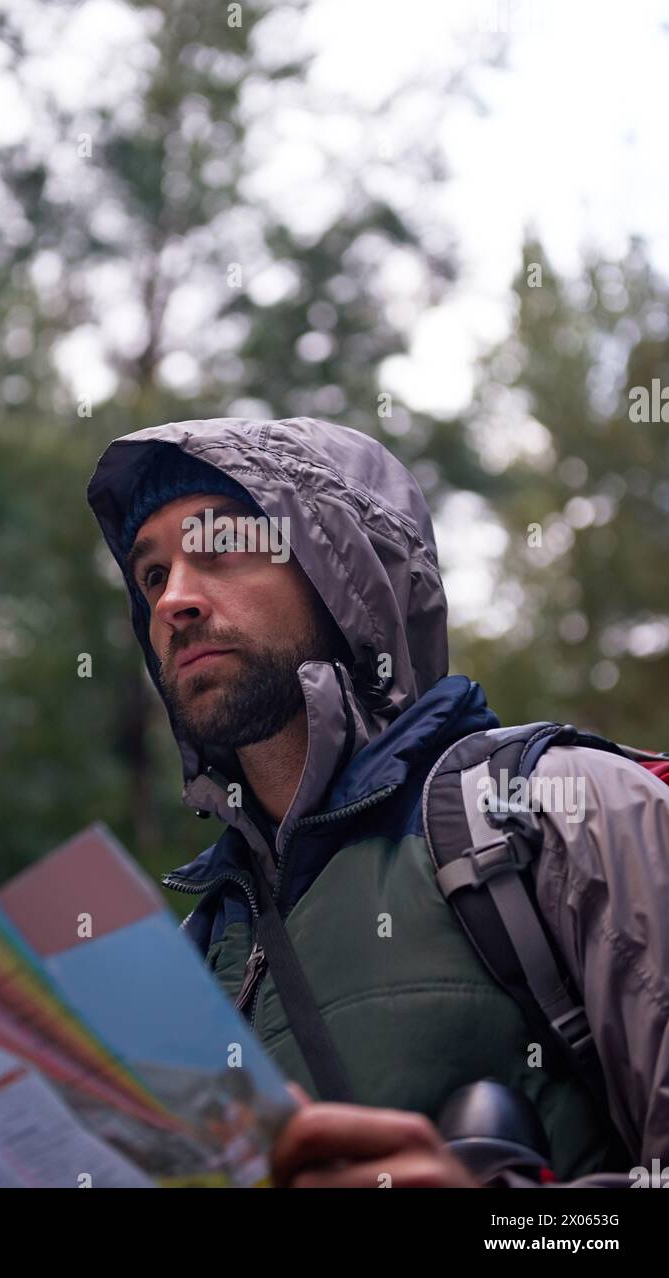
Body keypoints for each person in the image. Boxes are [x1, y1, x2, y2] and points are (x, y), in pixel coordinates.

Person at [86, 416, 669, 1188]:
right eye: (152, 576)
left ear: (343, 572)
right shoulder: (191, 958)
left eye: (221, 547)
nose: (173, 601)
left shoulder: (559, 812)